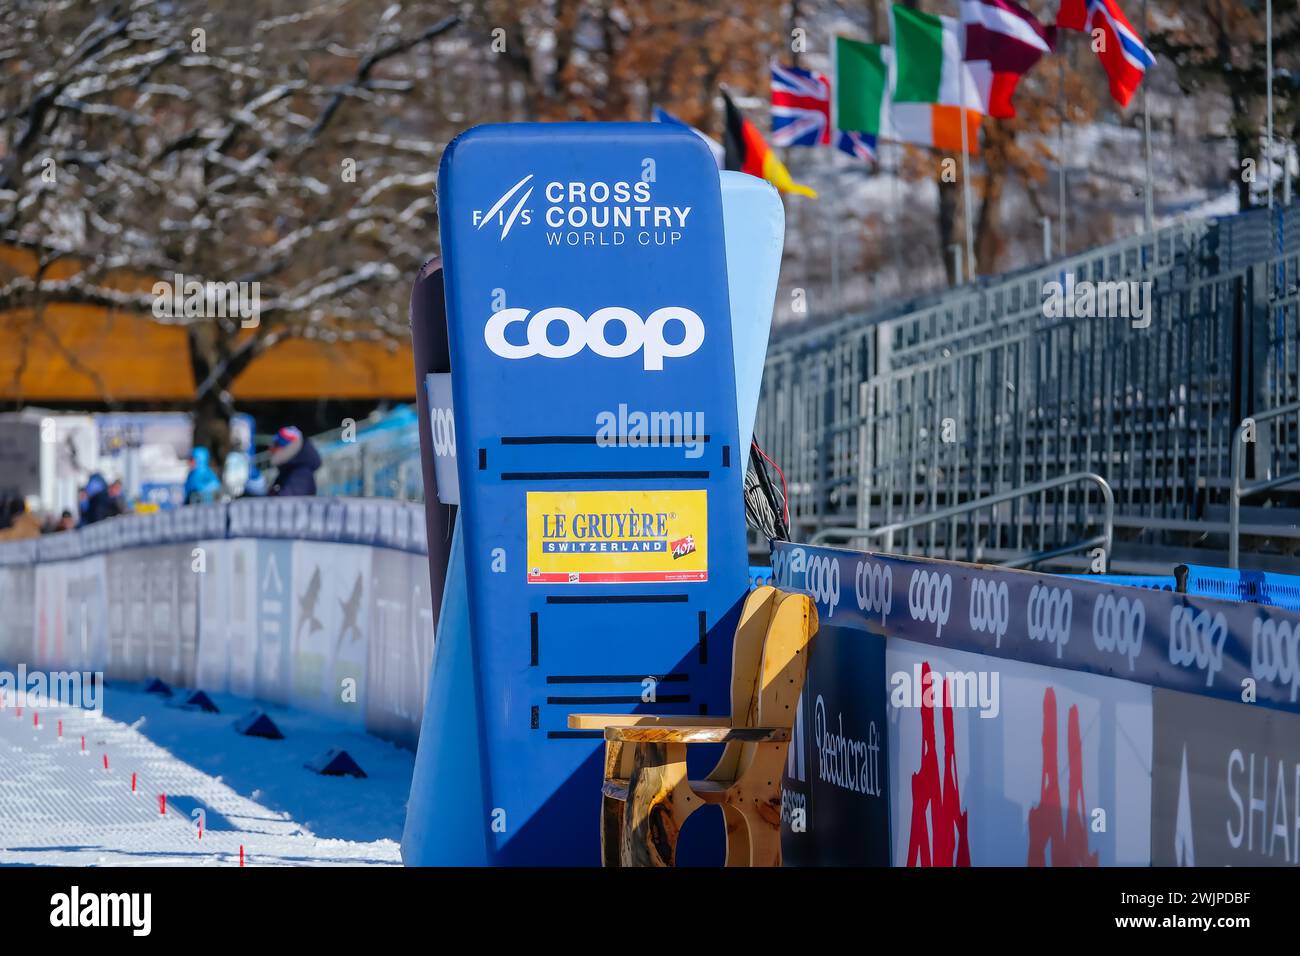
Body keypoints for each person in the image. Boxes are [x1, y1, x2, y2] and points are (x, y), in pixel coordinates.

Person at [268, 426, 320, 497]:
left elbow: (286, 504)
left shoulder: (301, 474)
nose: (271, 449)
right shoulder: (288, 471)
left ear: (290, 447)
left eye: (277, 445)